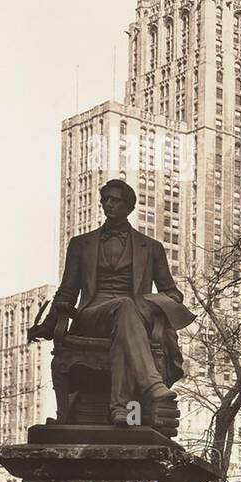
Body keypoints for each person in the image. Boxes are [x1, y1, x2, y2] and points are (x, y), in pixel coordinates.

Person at [28, 178, 191, 430]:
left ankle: (120, 409)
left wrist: (166, 303)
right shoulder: (81, 244)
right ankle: (150, 385)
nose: (108, 204)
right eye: (105, 200)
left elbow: (171, 291)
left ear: (129, 206)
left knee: (127, 310)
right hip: (92, 316)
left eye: (114, 200)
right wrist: (48, 326)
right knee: (125, 306)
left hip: (134, 316)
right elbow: (67, 292)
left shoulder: (152, 247)